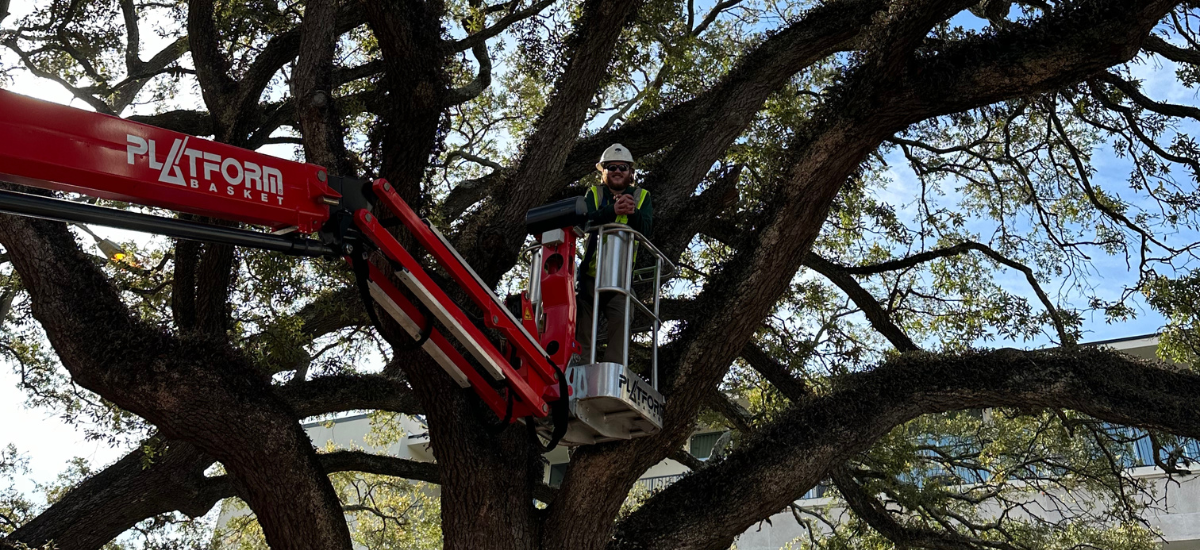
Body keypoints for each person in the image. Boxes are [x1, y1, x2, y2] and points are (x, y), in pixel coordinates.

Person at [576, 143, 653, 365]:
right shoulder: (594, 193)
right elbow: (584, 222)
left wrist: (633, 212)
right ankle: (580, 368)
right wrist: (612, 210)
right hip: (591, 273)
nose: (617, 171)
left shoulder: (641, 195)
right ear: (604, 172)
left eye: (622, 167)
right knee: (583, 324)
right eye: (611, 167)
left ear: (631, 173)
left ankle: (613, 369)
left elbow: (647, 230)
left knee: (622, 318)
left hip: (621, 276)